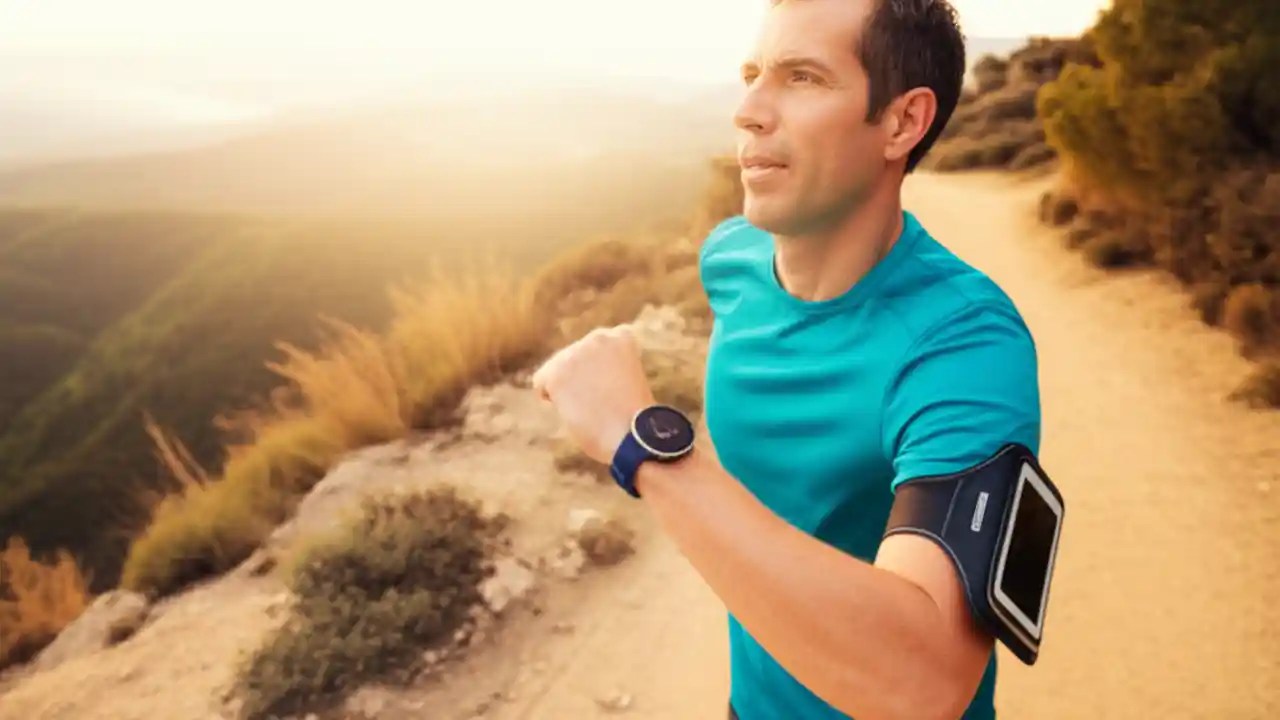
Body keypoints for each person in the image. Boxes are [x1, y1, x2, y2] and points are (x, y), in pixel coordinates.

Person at [531, 0, 1041, 717]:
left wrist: (643, 443)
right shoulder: (730, 259)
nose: (748, 110)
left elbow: (924, 684)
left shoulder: (965, 344)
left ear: (903, 122)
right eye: (751, 75)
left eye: (802, 77)